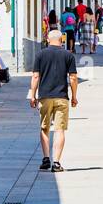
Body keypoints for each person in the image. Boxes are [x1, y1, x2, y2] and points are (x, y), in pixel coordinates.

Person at [29, 29, 78, 172]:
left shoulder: (40, 55)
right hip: (61, 97)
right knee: (59, 129)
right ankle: (56, 162)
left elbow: (35, 77)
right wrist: (74, 96)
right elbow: (73, 78)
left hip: (44, 97)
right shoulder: (68, 55)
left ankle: (46, 159)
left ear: (48, 40)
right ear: (61, 40)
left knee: (44, 128)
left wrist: (33, 95)